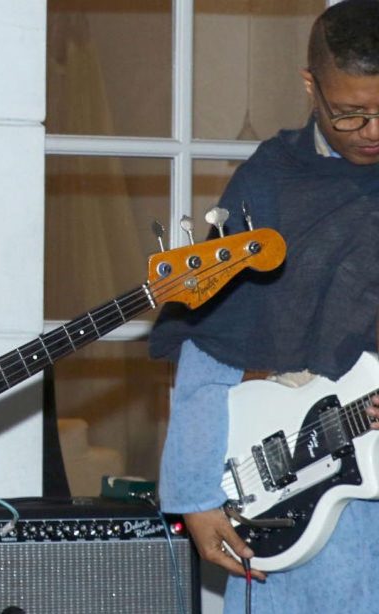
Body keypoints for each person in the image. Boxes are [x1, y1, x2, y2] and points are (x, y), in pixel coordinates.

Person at [149, 1, 379, 611]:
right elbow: (211, 347)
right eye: (350, 114)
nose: (373, 130)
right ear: (311, 86)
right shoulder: (270, 183)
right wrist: (196, 497)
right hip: (310, 500)